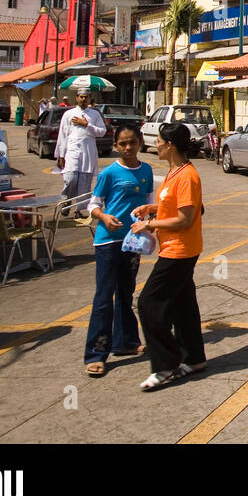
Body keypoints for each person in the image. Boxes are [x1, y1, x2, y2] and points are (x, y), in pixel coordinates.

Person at [131, 122, 206, 390]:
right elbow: (176, 205)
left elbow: (186, 218)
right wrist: (153, 208)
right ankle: (195, 358)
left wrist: (150, 225)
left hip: (180, 250)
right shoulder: (175, 171)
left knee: (149, 304)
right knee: (183, 306)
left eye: (160, 141)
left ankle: (166, 365)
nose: (156, 144)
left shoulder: (187, 176)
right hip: (176, 248)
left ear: (171, 145)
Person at [83, 124, 154, 377]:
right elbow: (93, 203)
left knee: (126, 293)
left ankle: (126, 342)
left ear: (140, 142)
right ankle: (96, 354)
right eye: (122, 144)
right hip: (108, 242)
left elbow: (148, 201)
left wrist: (149, 223)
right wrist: (103, 217)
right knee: (104, 298)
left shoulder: (146, 170)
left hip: (132, 242)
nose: (127, 148)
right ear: (115, 146)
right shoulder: (109, 173)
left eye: (132, 142)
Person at [55, 88, 107, 202]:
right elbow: (63, 136)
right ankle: (66, 201)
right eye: (81, 97)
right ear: (77, 98)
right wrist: (60, 155)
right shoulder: (68, 114)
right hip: (72, 152)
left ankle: (79, 210)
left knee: (84, 184)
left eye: (86, 97)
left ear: (89, 99)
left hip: (88, 153)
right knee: (70, 179)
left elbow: (102, 132)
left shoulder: (95, 114)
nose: (83, 99)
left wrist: (87, 125)